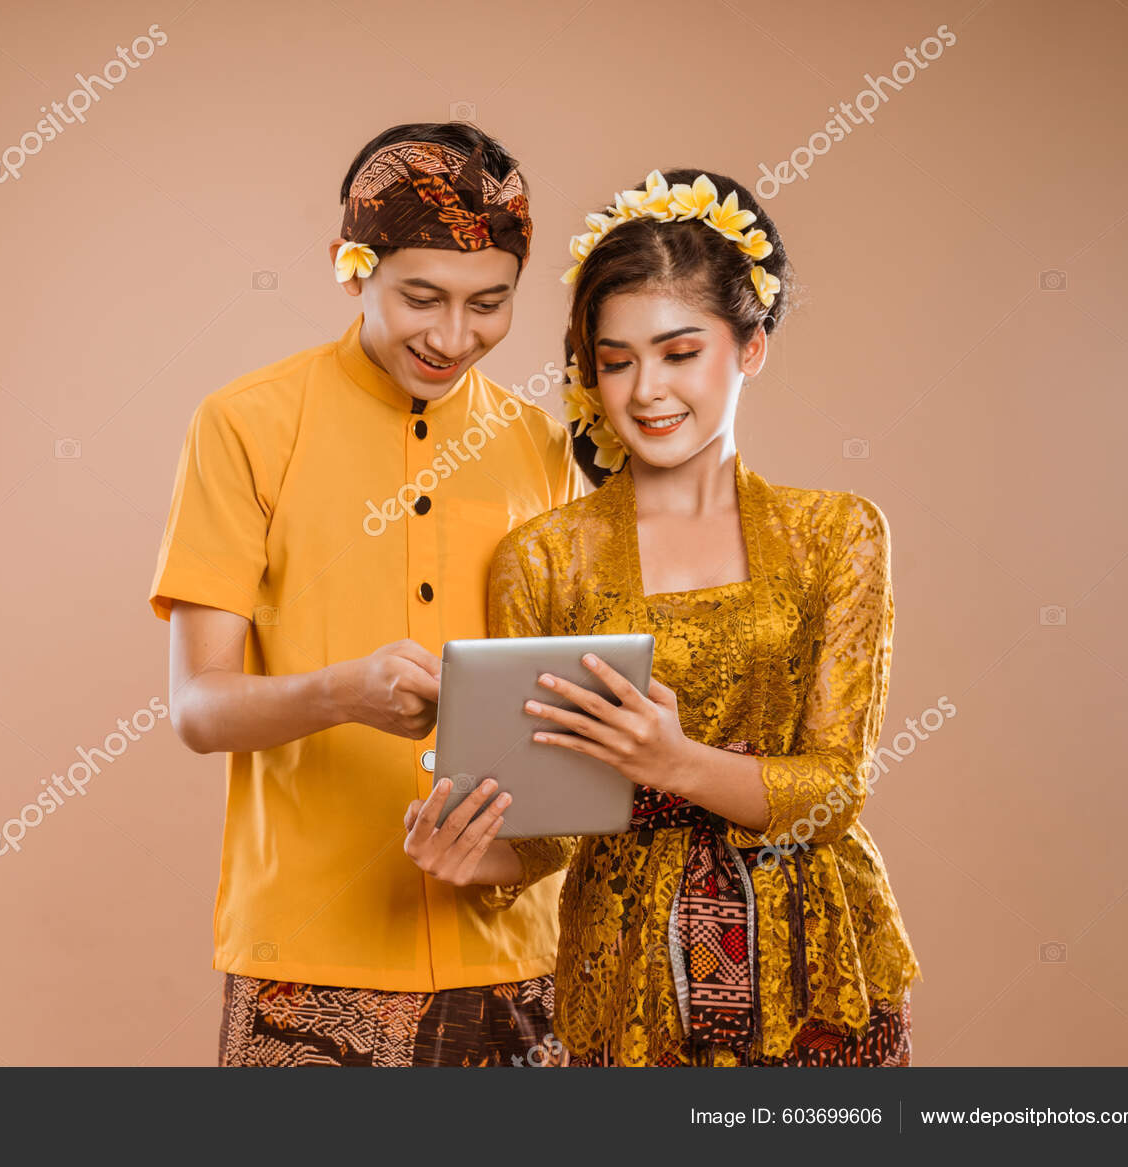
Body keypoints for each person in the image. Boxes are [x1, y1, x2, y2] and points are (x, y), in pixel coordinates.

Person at [402, 168, 921, 1066]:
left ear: (750, 346)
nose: (646, 391)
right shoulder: (545, 557)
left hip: (813, 953)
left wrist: (674, 761)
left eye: (680, 353)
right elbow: (555, 822)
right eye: (616, 360)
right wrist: (473, 856)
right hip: (625, 966)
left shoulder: (836, 534)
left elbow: (836, 790)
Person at [148, 122, 587, 1066]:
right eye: (420, 297)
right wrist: (339, 692)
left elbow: (563, 708)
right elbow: (197, 706)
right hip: (307, 956)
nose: (453, 335)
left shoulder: (546, 452)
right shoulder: (246, 425)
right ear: (354, 270)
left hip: (514, 954)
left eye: (489, 304)